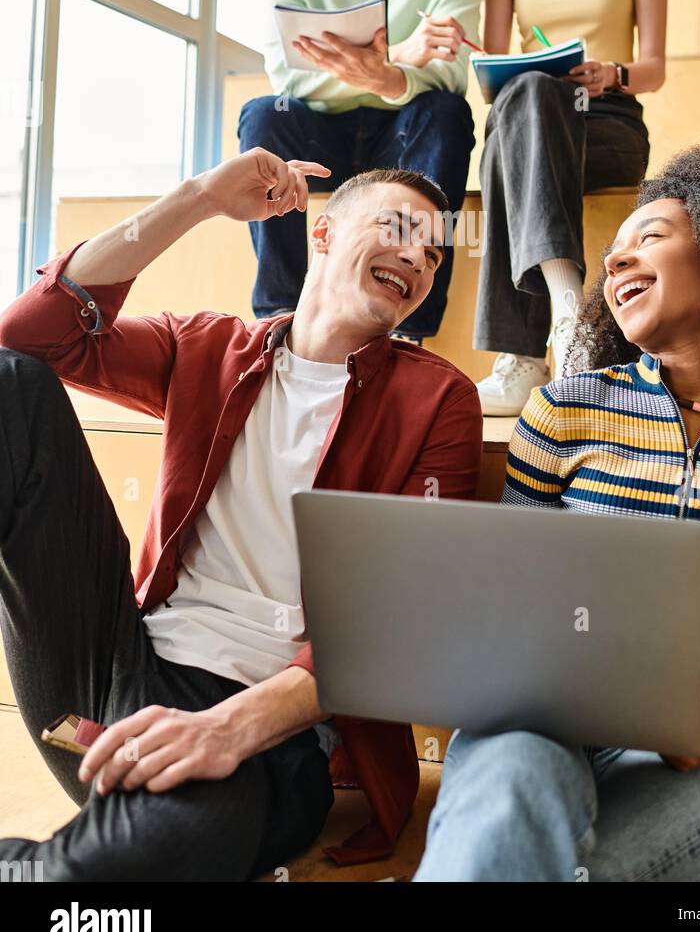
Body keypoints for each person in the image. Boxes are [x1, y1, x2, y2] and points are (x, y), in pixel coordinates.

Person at [0, 150, 482, 881]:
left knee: (144, 860)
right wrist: (196, 199)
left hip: (268, 730)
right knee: (9, 386)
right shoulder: (208, 348)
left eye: (436, 254)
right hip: (115, 669)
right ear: (322, 235)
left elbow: (398, 614)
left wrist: (227, 731)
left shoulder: (438, 400)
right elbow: (31, 338)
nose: (420, 256)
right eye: (398, 227)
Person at [415, 139, 700, 882]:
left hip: (692, 745)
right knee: (513, 786)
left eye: (648, 239)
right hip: (542, 711)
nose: (616, 262)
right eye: (612, 254)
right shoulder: (560, 412)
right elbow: (504, 599)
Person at [238, 0, 482, 340]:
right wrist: (398, 61)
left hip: (403, 142)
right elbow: (292, 81)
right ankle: (279, 313)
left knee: (445, 112)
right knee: (264, 114)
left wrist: (380, 74)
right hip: (316, 139)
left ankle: (408, 325)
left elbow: (449, 74)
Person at [475, 0, 670, 414]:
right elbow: (492, 69)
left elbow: (656, 69)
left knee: (516, 137)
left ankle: (524, 355)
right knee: (526, 96)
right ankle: (567, 315)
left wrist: (614, 72)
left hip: (608, 125)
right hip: (532, 120)